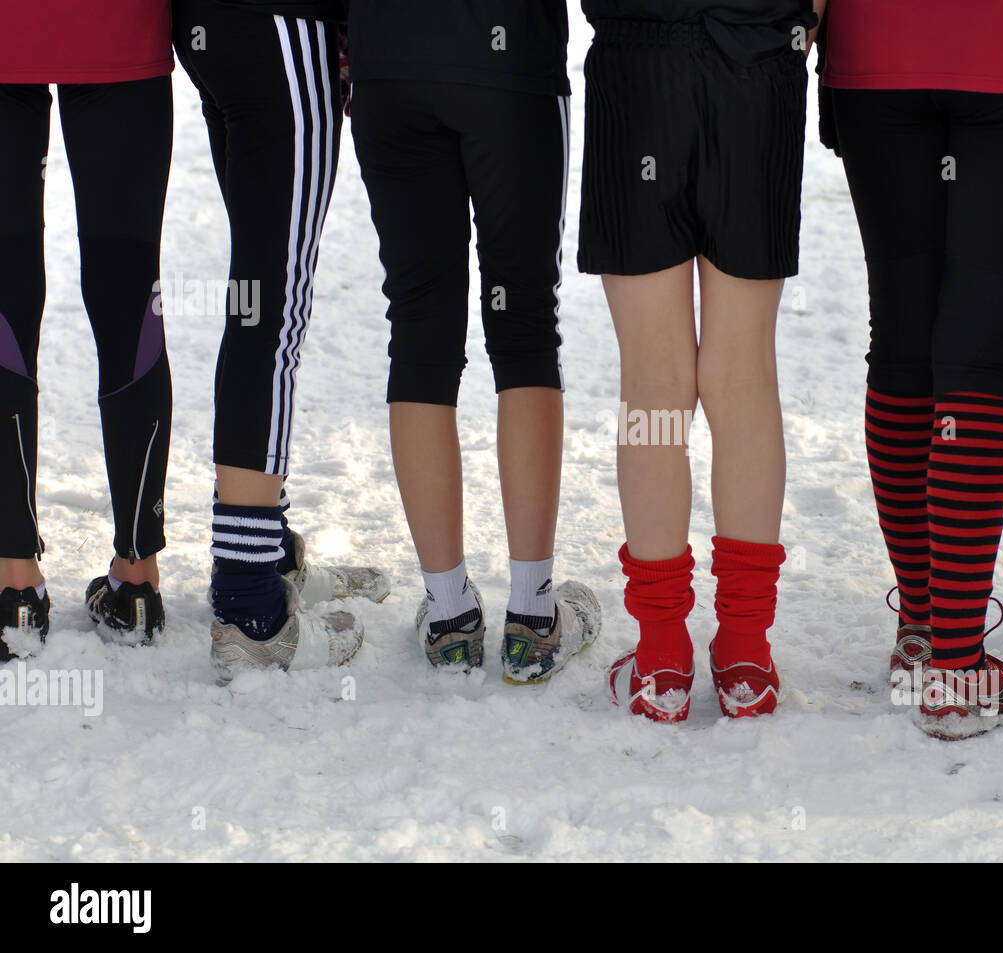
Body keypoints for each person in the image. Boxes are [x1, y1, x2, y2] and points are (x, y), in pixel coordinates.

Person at [821, 0, 1003, 738]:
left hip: (881, 44)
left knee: (904, 340)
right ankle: (954, 668)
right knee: (977, 357)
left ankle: (925, 634)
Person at [578, 0, 819, 722]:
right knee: (742, 375)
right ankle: (745, 651)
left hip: (639, 59)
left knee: (655, 381)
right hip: (758, 58)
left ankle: (661, 655)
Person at [348, 0, 600, 682]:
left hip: (389, 57)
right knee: (523, 328)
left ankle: (449, 613)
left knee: (420, 332)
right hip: (506, 56)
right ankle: (532, 614)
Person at [171, 0, 385, 682]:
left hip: (217, 26)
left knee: (259, 297)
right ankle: (248, 606)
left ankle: (264, 554)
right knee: (271, 313)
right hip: (281, 28)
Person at [0, 1, 175, 657]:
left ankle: (13, 584)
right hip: (116, 29)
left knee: (4, 301)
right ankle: (136, 579)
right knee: (130, 291)